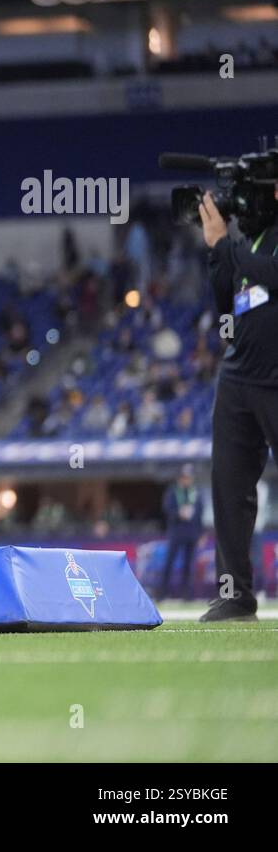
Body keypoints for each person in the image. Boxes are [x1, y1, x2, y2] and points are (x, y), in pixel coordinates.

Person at [200, 184, 278, 622]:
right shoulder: (251, 240)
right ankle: (234, 594)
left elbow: (274, 275)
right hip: (238, 373)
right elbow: (226, 304)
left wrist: (226, 247)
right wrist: (218, 255)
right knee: (229, 486)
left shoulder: (250, 246)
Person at [158, 464, 203, 601]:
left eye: (189, 477)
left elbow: (200, 513)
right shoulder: (172, 492)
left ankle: (186, 595)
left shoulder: (195, 492)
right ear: (180, 478)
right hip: (176, 532)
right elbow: (167, 509)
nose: (187, 480)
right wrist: (178, 514)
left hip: (191, 532)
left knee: (188, 564)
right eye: (184, 477)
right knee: (169, 562)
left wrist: (201, 534)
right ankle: (162, 593)